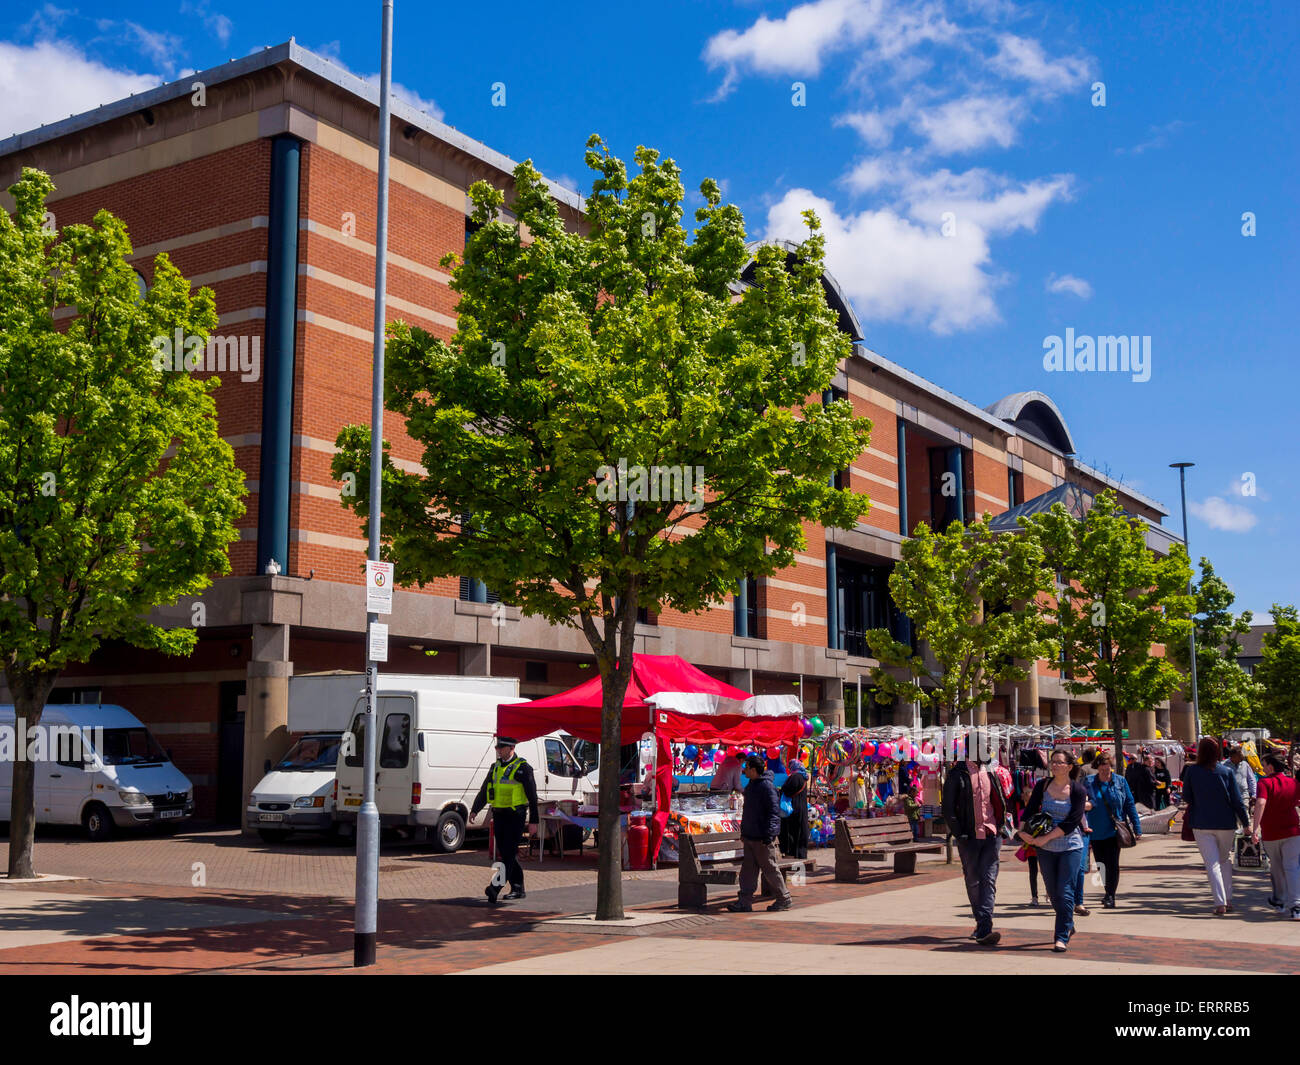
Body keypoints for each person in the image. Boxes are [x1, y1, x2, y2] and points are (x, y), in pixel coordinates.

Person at [1018, 749, 1087, 952]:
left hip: (1070, 846)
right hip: (1045, 848)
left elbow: (1072, 821)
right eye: (1052, 762)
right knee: (1052, 892)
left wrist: (1044, 839)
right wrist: (1022, 832)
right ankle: (1068, 923)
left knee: (1065, 892)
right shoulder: (1042, 785)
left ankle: (1061, 937)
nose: (1054, 765)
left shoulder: (1077, 790)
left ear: (1069, 766)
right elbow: (1030, 810)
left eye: (1059, 762)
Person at [941, 754, 1006, 946]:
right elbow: (948, 807)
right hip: (968, 837)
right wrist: (958, 832)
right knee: (973, 879)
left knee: (988, 878)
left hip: (991, 833)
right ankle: (981, 922)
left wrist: (1001, 826)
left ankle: (985, 925)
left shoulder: (991, 771)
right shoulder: (957, 774)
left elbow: (999, 799)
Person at [1182, 737, 1250, 915]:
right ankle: (1228, 898)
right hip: (1226, 823)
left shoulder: (1192, 771)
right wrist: (1246, 823)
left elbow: (1187, 797)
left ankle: (1220, 902)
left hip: (1202, 822)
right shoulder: (1226, 772)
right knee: (1224, 859)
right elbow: (1237, 800)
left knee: (1212, 863)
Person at [470, 737, 539, 904]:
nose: (498, 750)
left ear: (512, 748)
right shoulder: (495, 768)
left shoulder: (523, 768)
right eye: (497, 747)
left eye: (501, 747)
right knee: (507, 854)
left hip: (516, 816)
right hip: (499, 816)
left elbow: (532, 796)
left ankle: (495, 887)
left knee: (507, 855)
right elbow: (485, 789)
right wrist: (475, 809)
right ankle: (517, 888)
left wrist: (534, 821)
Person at [727, 754, 794, 913]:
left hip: (762, 837)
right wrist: (744, 831)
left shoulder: (766, 787)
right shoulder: (752, 785)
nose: (744, 770)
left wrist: (769, 834)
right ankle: (744, 901)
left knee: (770, 869)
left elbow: (773, 812)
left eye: (747, 767)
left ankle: (784, 898)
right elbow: (748, 812)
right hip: (750, 835)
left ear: (754, 769)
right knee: (747, 872)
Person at [1085, 750, 1142, 908]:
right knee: (1101, 864)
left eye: (1107, 768)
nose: (1104, 771)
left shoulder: (1120, 781)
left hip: (1114, 829)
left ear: (1112, 767)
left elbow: (1129, 804)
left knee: (1112, 863)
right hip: (1095, 830)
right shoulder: (1089, 782)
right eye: (1101, 769)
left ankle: (1110, 895)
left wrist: (1137, 827)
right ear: (1097, 767)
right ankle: (1106, 890)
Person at [1251, 754, 1300, 919]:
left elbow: (1261, 803)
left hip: (1271, 833)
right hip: (1293, 831)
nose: (1263, 768)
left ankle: (1280, 901)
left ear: (1271, 767)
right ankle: (1296, 905)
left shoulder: (1264, 783)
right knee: (1292, 867)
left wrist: (1254, 829)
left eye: (1264, 765)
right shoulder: (1293, 782)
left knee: (1277, 867)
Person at [779, 757, 810, 859]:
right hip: (801, 807)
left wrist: (781, 789)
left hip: (794, 808)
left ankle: (792, 854)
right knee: (800, 831)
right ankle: (800, 854)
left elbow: (787, 790)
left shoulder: (795, 776)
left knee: (793, 831)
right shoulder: (803, 776)